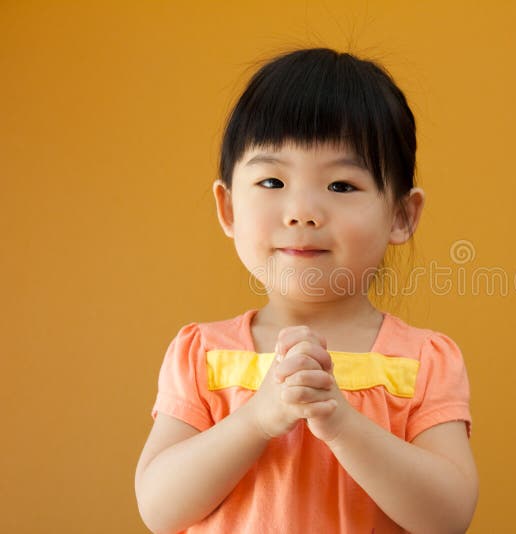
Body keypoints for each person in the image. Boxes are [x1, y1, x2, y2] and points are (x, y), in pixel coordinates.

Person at [134, 47, 478, 534]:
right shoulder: (203, 357)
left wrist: (341, 423)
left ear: (402, 216)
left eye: (341, 185)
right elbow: (160, 507)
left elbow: (447, 517)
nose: (302, 212)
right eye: (272, 180)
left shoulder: (424, 363)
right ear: (228, 208)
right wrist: (257, 419)